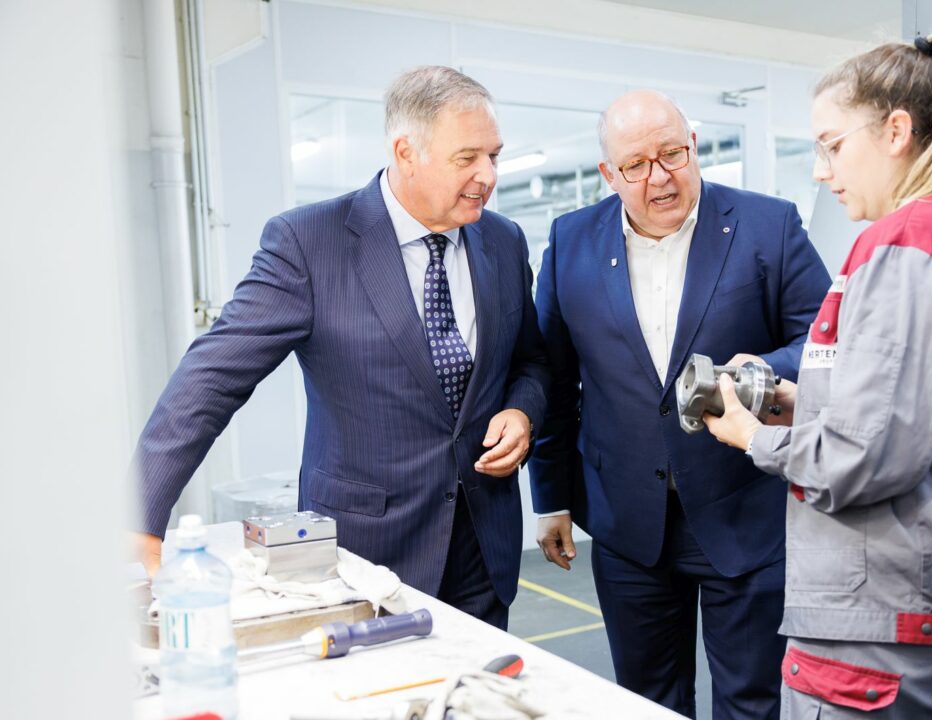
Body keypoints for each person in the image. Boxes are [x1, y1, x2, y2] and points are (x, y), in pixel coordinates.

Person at [131, 66, 549, 629]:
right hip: (366, 553)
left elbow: (531, 360)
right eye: (467, 157)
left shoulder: (502, 239)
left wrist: (522, 410)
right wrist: (141, 513)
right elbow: (211, 378)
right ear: (406, 152)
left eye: (494, 156)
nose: (487, 175)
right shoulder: (310, 243)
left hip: (483, 544)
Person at [704, 32, 932, 718]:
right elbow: (907, 410)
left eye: (831, 144)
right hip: (917, 609)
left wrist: (747, 436)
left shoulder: (908, 241)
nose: (822, 170)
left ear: (895, 132)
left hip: (877, 620)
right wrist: (793, 402)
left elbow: (870, 454)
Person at [529, 89, 831, 718]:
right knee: (646, 700)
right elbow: (556, 382)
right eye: (636, 165)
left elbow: (827, 341)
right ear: (609, 175)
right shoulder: (571, 242)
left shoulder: (768, 225)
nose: (659, 177)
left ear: (693, 147)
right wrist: (551, 498)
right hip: (626, 522)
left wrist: (761, 371)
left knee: (753, 702)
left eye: (672, 154)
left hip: (744, 510)